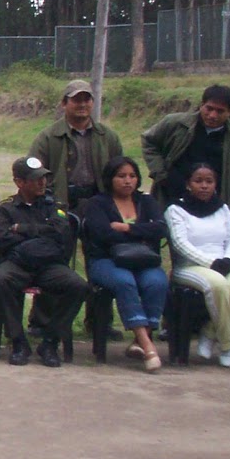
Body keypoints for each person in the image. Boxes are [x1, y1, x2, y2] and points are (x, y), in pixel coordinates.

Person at [0, 156, 89, 368]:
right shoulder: (6, 209)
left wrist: (22, 229)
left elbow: (61, 233)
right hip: (18, 263)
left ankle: (51, 341)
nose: (42, 183)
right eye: (36, 179)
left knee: (78, 286)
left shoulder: (55, 206)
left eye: (44, 178)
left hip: (49, 264)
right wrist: (40, 236)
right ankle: (18, 341)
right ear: (19, 182)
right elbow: (0, 239)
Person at [165, 162, 230, 368]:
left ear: (215, 184)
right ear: (189, 184)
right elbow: (181, 244)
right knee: (218, 285)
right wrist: (210, 263)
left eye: (209, 181)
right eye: (198, 181)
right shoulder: (176, 209)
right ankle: (228, 344)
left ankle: (209, 331)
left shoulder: (222, 208)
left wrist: (229, 260)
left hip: (224, 262)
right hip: (190, 267)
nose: (204, 186)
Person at [82, 156, 167, 373]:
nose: (128, 181)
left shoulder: (146, 202)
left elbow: (160, 229)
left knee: (157, 281)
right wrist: (141, 234)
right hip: (106, 260)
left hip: (143, 260)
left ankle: (141, 340)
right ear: (110, 179)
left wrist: (127, 229)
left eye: (132, 176)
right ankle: (147, 345)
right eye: (121, 176)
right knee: (124, 281)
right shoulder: (96, 203)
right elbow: (102, 235)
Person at [143, 85, 230, 221]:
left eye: (220, 111)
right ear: (201, 105)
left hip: (215, 207)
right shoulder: (175, 124)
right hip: (171, 198)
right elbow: (149, 141)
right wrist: (160, 173)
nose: (213, 115)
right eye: (209, 108)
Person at [28, 79, 124, 213]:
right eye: (77, 100)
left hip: (100, 203)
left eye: (87, 100)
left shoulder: (108, 137)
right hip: (61, 204)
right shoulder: (47, 138)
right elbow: (33, 174)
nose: (83, 105)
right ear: (64, 103)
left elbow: (120, 172)